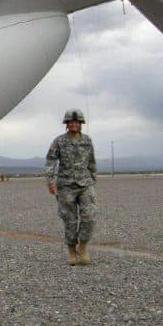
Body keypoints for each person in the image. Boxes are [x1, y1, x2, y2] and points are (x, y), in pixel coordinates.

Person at [45, 109, 97, 265]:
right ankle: (72, 252)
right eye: (71, 122)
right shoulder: (59, 141)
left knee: (89, 217)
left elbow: (92, 161)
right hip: (66, 186)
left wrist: (93, 179)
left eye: (77, 122)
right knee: (70, 220)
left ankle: (84, 248)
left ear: (81, 124)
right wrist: (50, 181)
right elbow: (50, 162)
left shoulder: (87, 141)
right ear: (67, 124)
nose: (74, 124)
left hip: (85, 184)